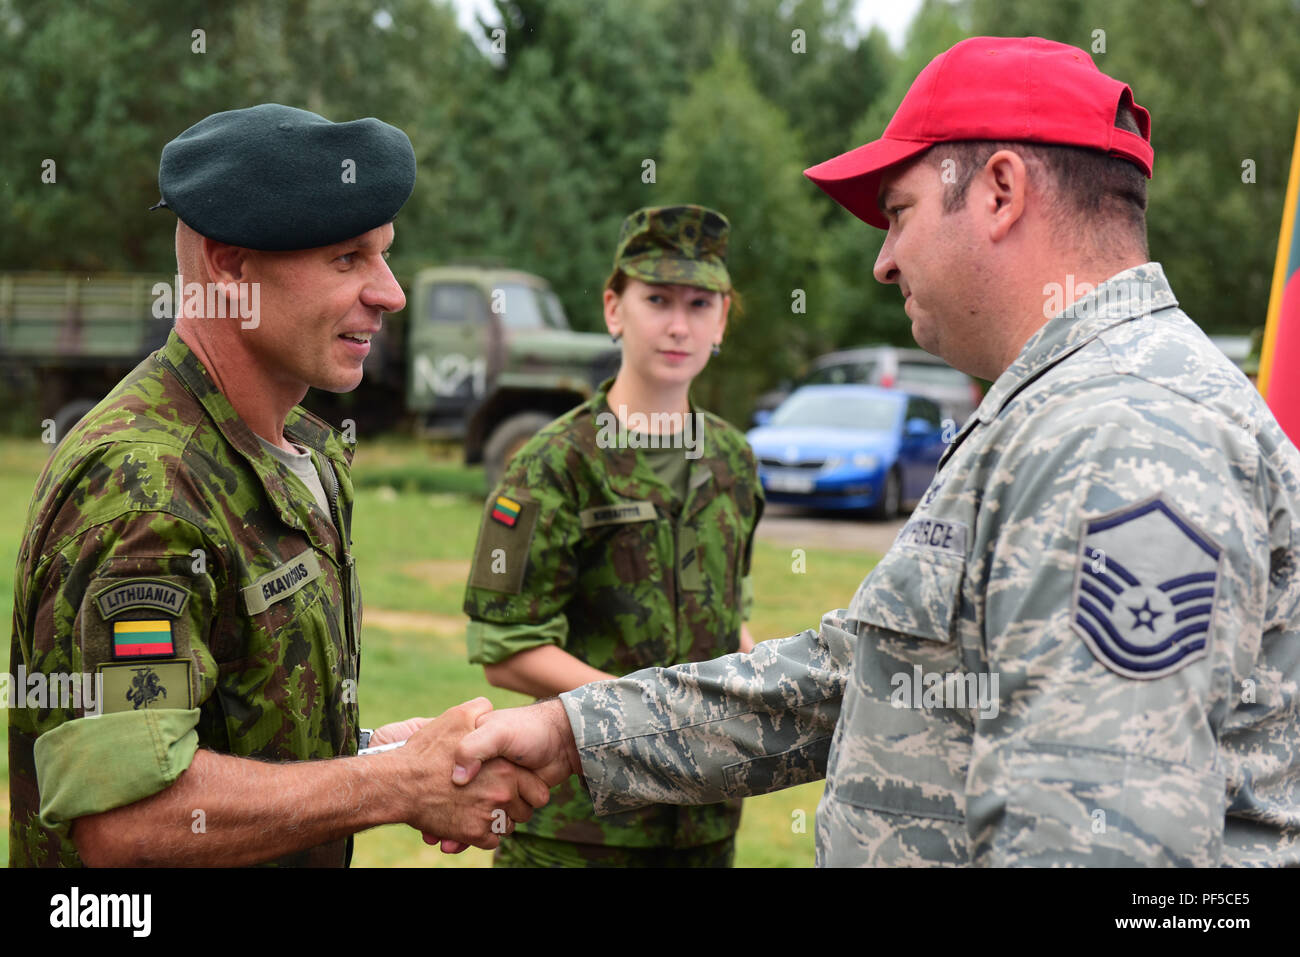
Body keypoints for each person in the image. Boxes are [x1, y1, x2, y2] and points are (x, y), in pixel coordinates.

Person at [451, 37, 1300, 866]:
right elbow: (865, 672)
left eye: (898, 213)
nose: (882, 263)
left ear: (1001, 191)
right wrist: (575, 728)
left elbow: (1094, 844)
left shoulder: (1117, 434)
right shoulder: (1059, 411)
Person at [9, 103, 549, 867]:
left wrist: (365, 754)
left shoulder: (294, 454)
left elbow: (223, 730)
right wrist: (395, 782)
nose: (390, 292)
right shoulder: (144, 484)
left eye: (385, 255)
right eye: (347, 259)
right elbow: (127, 817)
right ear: (230, 267)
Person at [461, 204, 764, 866]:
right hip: (578, 831)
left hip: (704, 825)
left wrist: (751, 675)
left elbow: (728, 614)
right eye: (656, 299)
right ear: (613, 309)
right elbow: (504, 646)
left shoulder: (734, 460)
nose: (678, 324)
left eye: (700, 302)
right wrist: (651, 719)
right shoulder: (553, 461)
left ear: (722, 319)